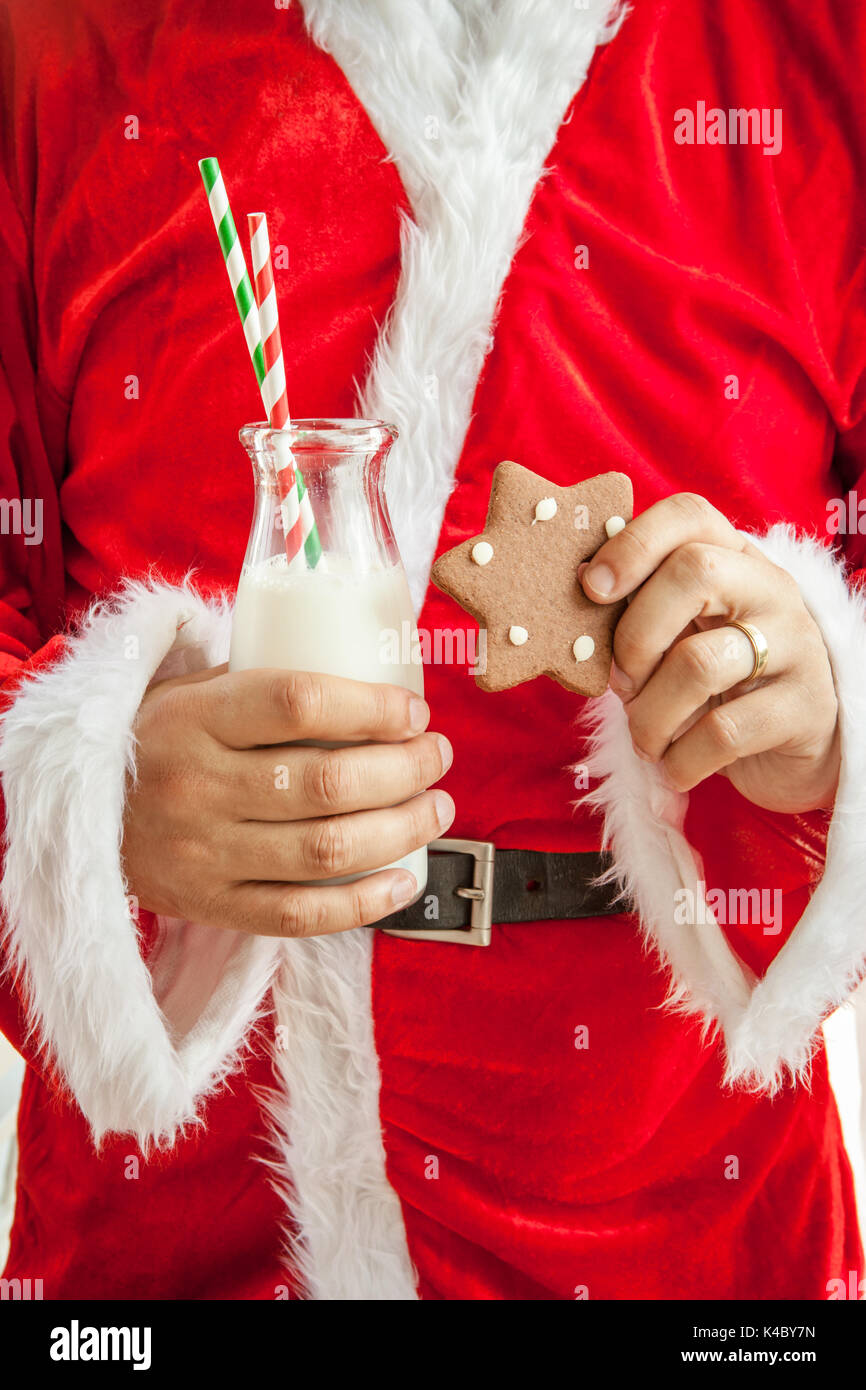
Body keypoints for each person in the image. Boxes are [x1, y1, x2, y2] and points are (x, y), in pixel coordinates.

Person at [0, 0, 864, 1300]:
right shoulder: (55, 55)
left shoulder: (822, 55)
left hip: (690, 1246)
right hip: (161, 1251)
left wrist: (831, 718)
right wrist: (75, 794)